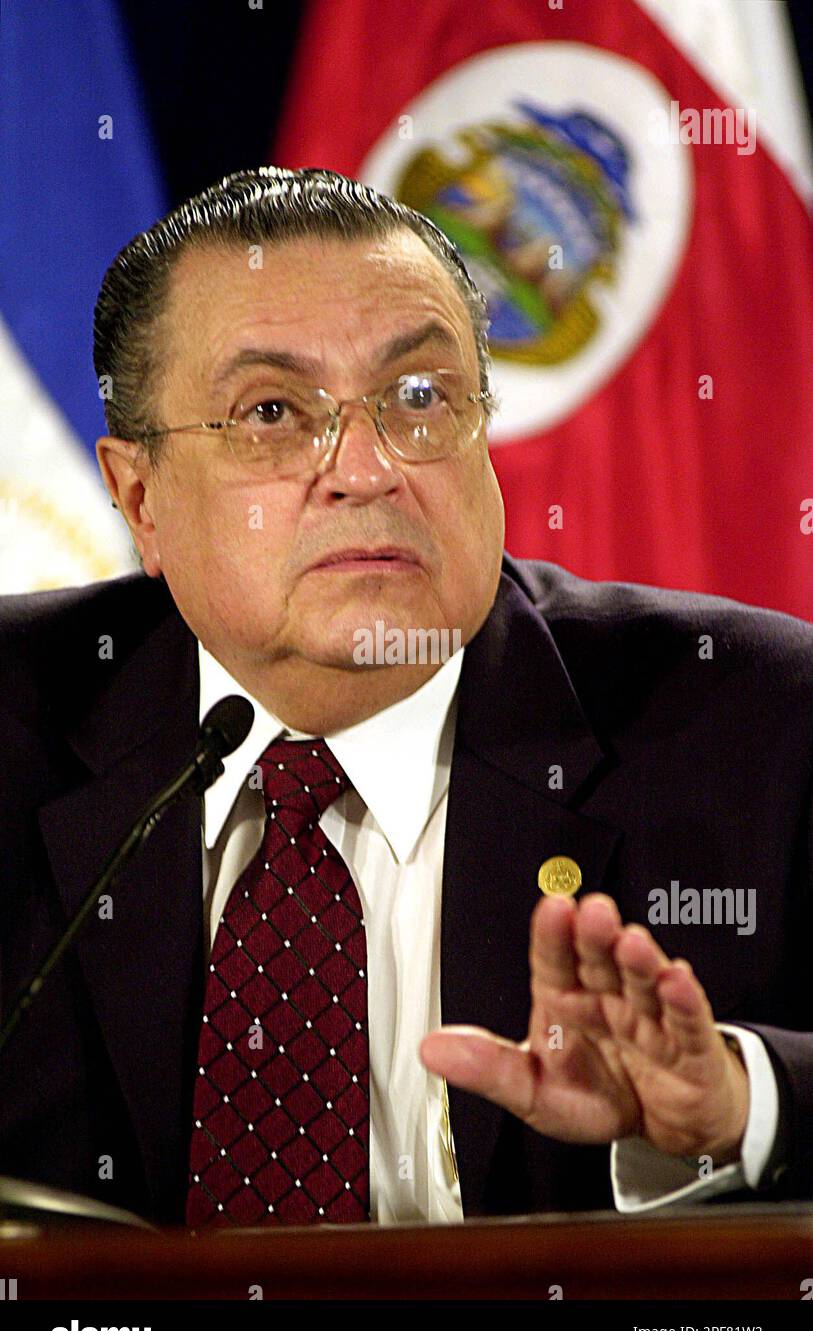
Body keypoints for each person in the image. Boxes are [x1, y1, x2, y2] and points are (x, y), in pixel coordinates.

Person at [0, 167, 809, 1229]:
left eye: (420, 398)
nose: (366, 468)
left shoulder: (752, 721)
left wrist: (742, 1100)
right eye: (274, 412)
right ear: (140, 499)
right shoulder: (17, 724)